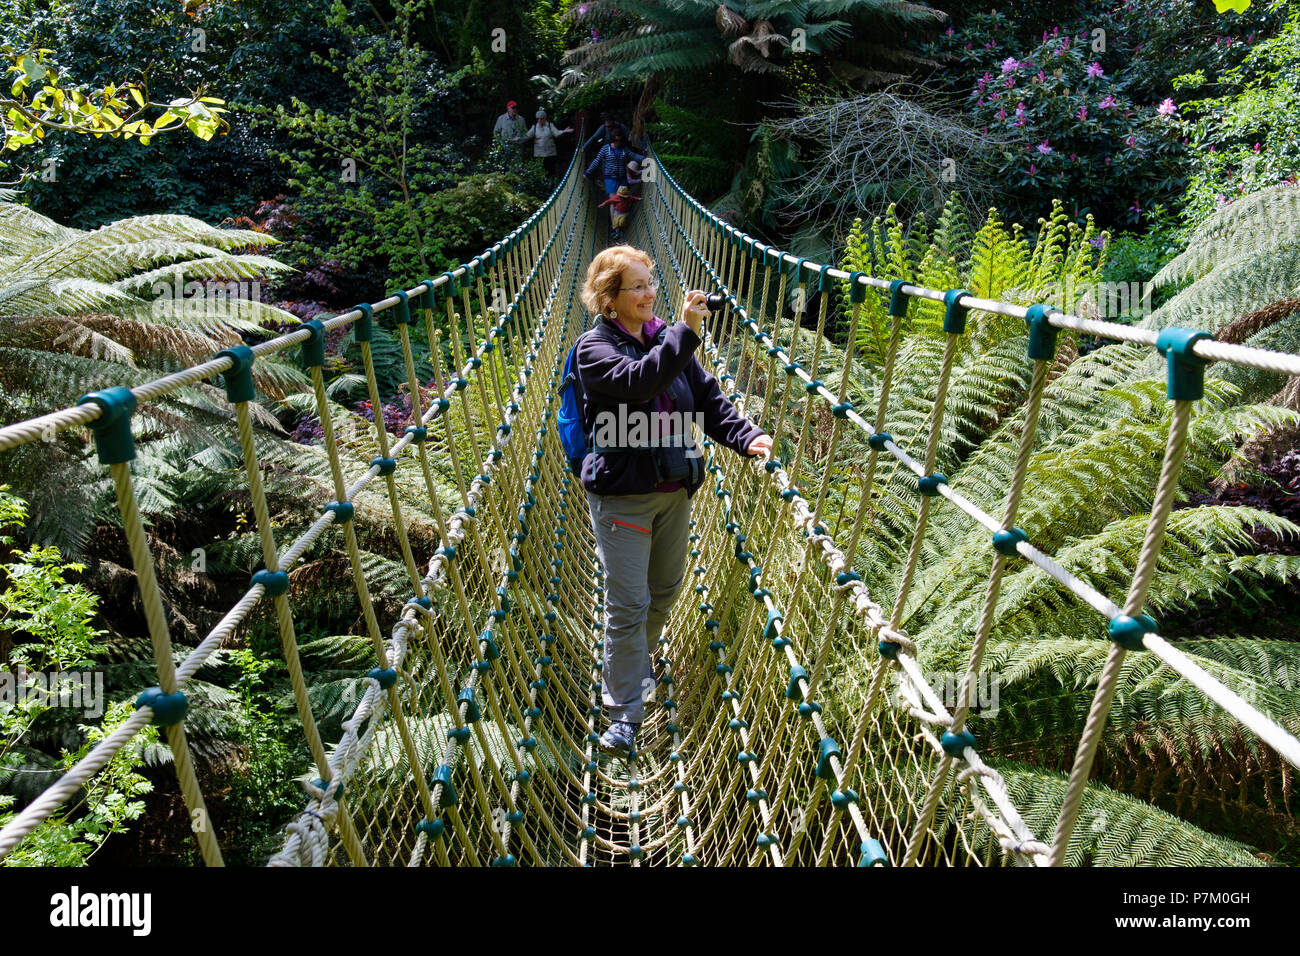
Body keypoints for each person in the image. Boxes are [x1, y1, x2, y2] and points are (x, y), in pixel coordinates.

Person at [575, 246, 773, 754]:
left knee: (663, 593)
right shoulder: (594, 350)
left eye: (651, 281)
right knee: (628, 604)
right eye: (637, 286)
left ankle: (636, 665)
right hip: (623, 499)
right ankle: (623, 713)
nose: (649, 292)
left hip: (674, 490)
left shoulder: (666, 337)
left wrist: (744, 436)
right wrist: (685, 331)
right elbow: (641, 383)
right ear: (609, 299)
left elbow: (705, 398)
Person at [586, 128, 643, 201]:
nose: (618, 143)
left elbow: (633, 155)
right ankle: (613, 212)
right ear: (612, 139)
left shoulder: (624, 149)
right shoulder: (605, 149)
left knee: (622, 200)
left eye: (620, 141)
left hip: (622, 178)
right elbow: (597, 161)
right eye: (616, 141)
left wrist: (645, 158)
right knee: (613, 200)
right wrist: (588, 172)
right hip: (610, 178)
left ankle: (619, 212)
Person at [514, 109, 574, 177]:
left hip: (550, 154)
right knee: (541, 172)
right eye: (538, 119)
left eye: (541, 119)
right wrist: (519, 138)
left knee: (551, 171)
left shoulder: (550, 125)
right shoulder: (535, 127)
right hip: (539, 154)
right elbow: (528, 136)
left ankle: (552, 185)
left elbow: (556, 133)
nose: (539, 120)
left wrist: (564, 131)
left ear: (545, 118)